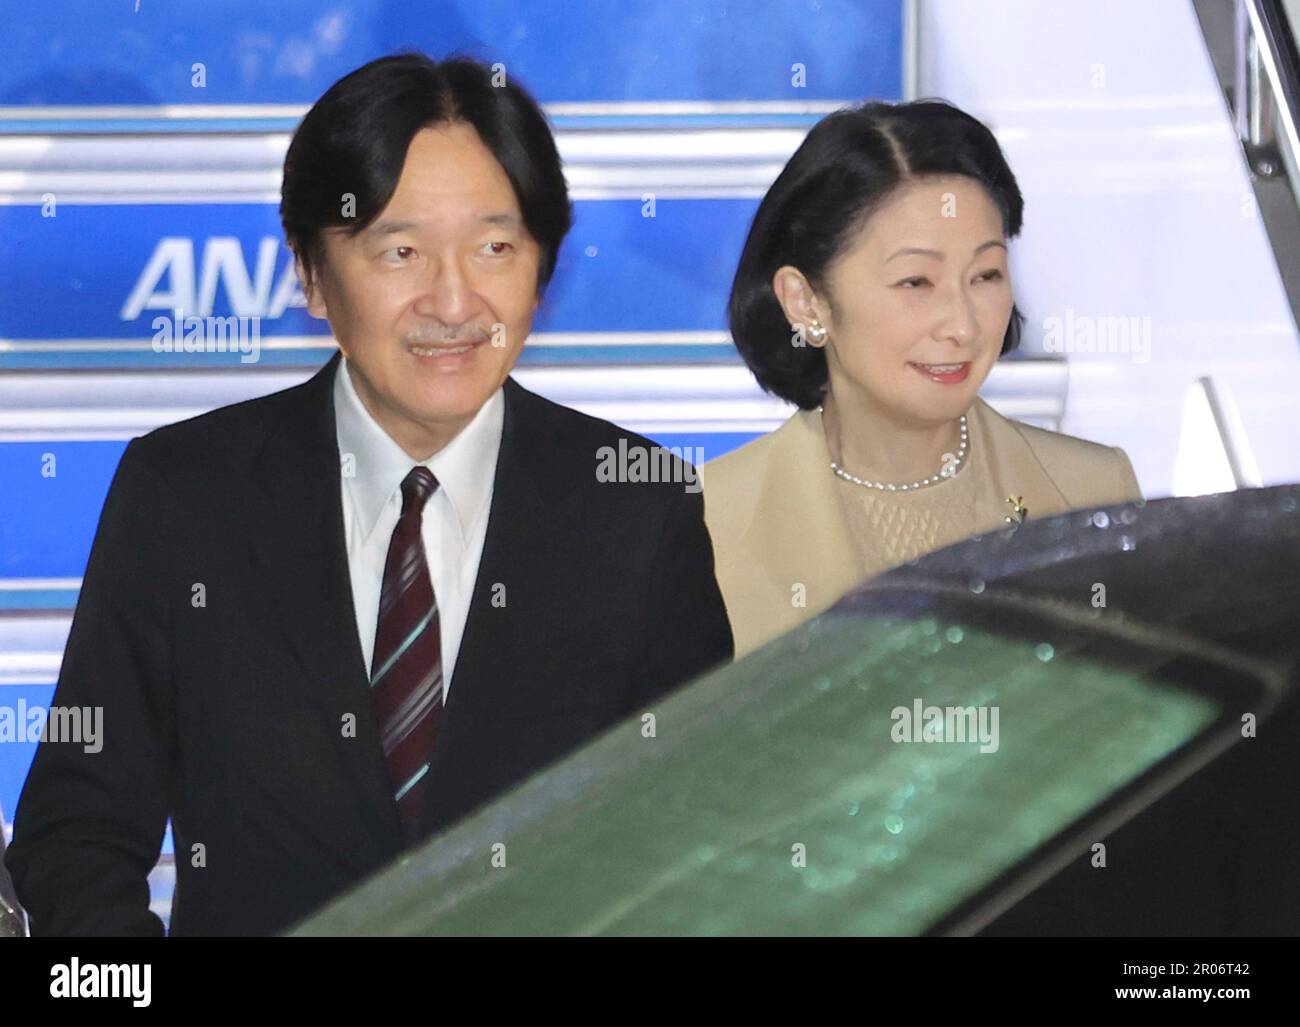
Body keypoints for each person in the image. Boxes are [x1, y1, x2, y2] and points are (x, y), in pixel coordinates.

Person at [5, 53, 732, 936]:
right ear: (311, 276)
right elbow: (76, 834)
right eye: (400, 250)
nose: (454, 299)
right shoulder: (183, 496)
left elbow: (699, 845)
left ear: (542, 273)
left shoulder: (637, 509)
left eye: (495, 247)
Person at [703, 100, 1141, 658]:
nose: (962, 325)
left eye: (985, 274)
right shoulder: (709, 523)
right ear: (806, 301)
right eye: (916, 282)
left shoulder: (1095, 489)